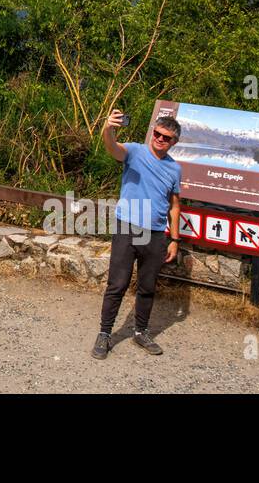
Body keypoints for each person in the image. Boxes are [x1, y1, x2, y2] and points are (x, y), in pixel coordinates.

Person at [92, 110, 182, 359]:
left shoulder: (175, 169)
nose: (160, 139)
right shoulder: (134, 151)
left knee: (147, 286)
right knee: (117, 284)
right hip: (128, 227)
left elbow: (175, 206)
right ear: (152, 132)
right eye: (157, 133)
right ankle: (105, 333)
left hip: (155, 234)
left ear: (174, 142)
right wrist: (108, 128)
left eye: (167, 137)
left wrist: (174, 240)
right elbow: (112, 148)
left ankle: (141, 332)